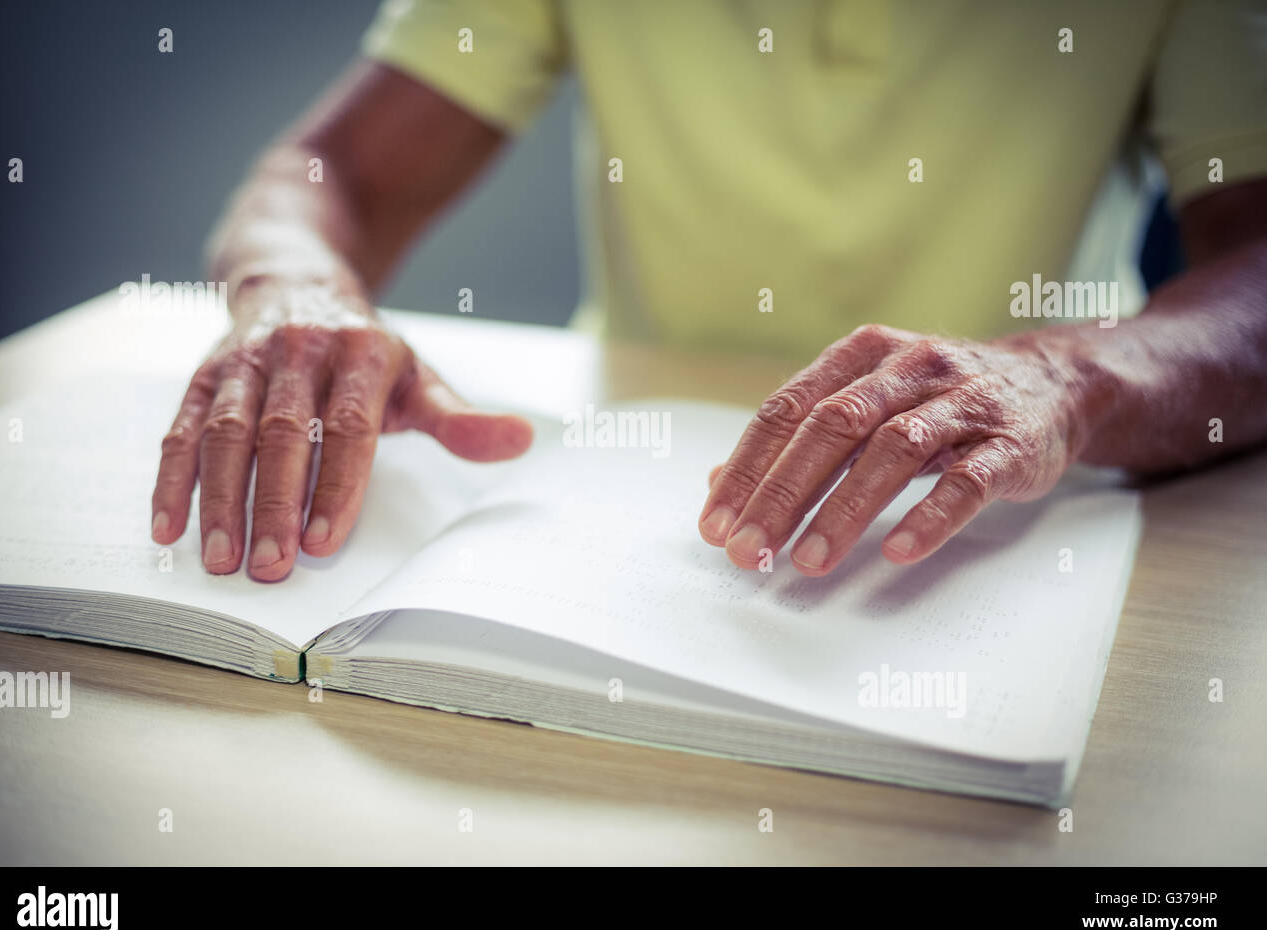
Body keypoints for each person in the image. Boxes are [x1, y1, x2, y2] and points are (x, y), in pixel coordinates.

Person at [151, 0, 1267, 582]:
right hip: (615, 468)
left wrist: (1058, 379)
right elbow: (328, 176)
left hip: (1022, 504)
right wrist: (296, 289)